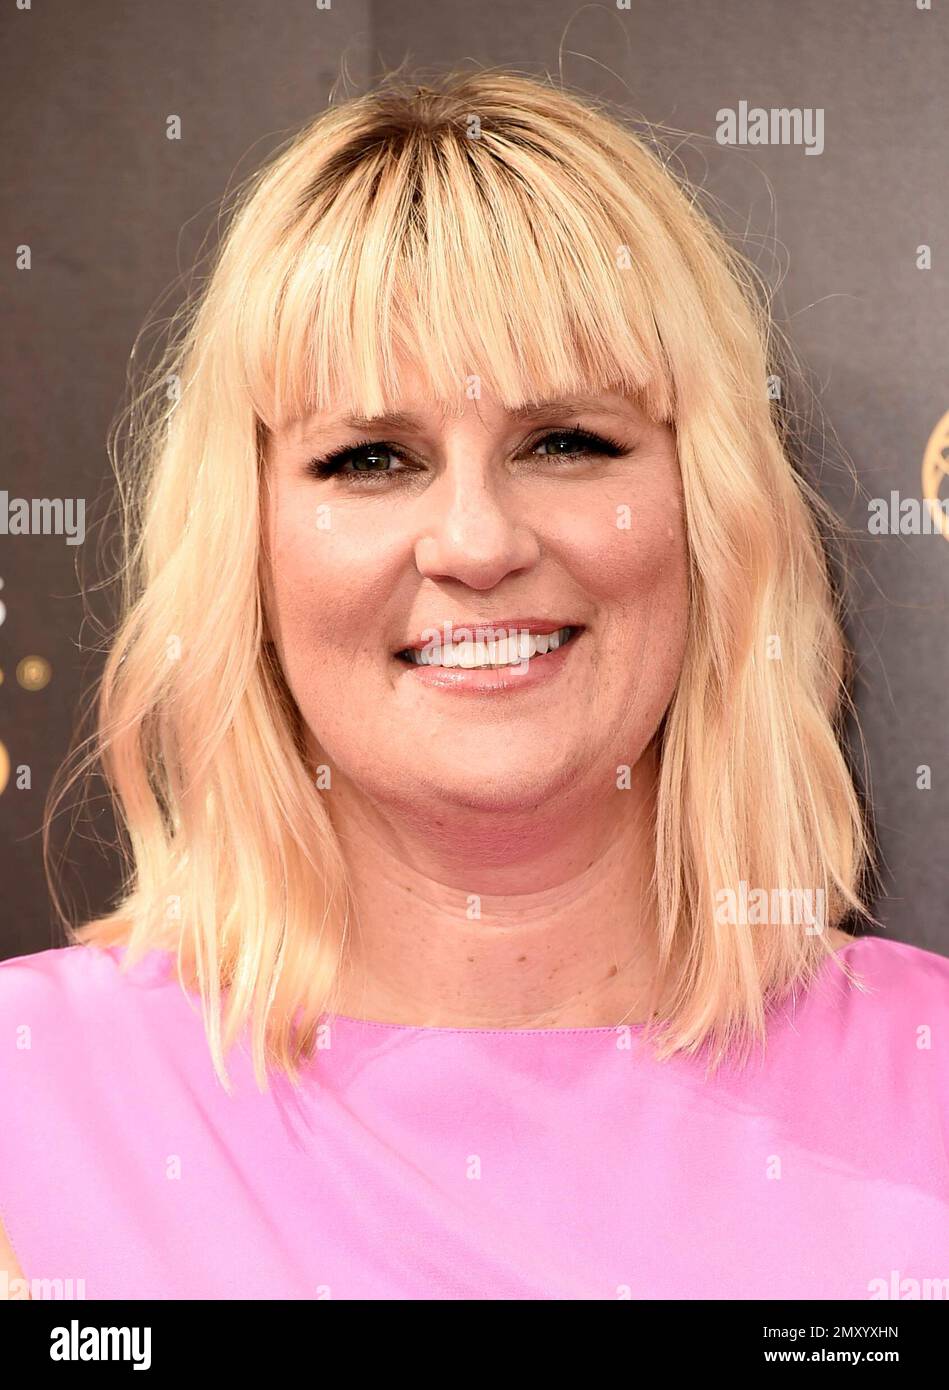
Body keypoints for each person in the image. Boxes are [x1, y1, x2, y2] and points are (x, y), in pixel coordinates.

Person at [1, 69, 946, 1301]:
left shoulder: (926, 1080)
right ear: (250, 547)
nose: (475, 541)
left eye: (565, 441)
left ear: (706, 512)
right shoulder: (34, 1104)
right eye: (370, 458)